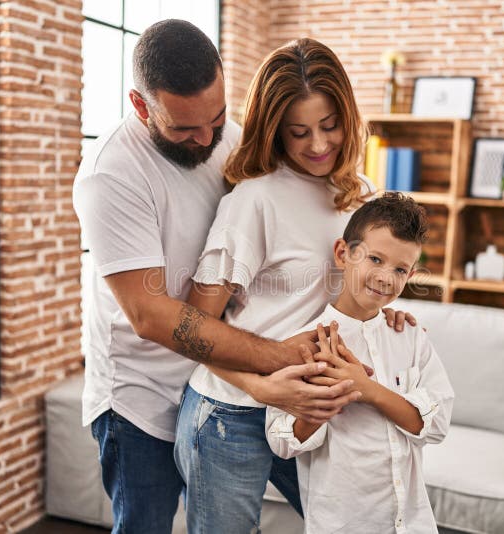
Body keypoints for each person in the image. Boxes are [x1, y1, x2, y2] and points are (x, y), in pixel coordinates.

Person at [72, 21, 366, 533]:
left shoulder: (230, 140)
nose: (208, 138)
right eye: (185, 129)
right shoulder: (111, 174)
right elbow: (153, 315)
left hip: (222, 380)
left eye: (217, 116)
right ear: (142, 107)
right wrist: (280, 362)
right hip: (141, 394)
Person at [174, 38, 416, 533]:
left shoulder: (361, 197)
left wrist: (382, 312)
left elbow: (359, 288)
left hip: (316, 408)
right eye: (299, 131)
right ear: (274, 131)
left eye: (329, 125)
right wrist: (262, 386)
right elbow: (193, 326)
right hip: (231, 412)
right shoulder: (254, 200)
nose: (319, 144)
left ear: (348, 116)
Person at [266, 192, 456, 534]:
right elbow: (280, 440)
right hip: (341, 524)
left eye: (400, 269)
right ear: (344, 253)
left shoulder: (410, 336)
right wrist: (321, 405)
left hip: (411, 525)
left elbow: (438, 423)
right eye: (376, 259)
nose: (386, 277)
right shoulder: (309, 343)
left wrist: (367, 389)